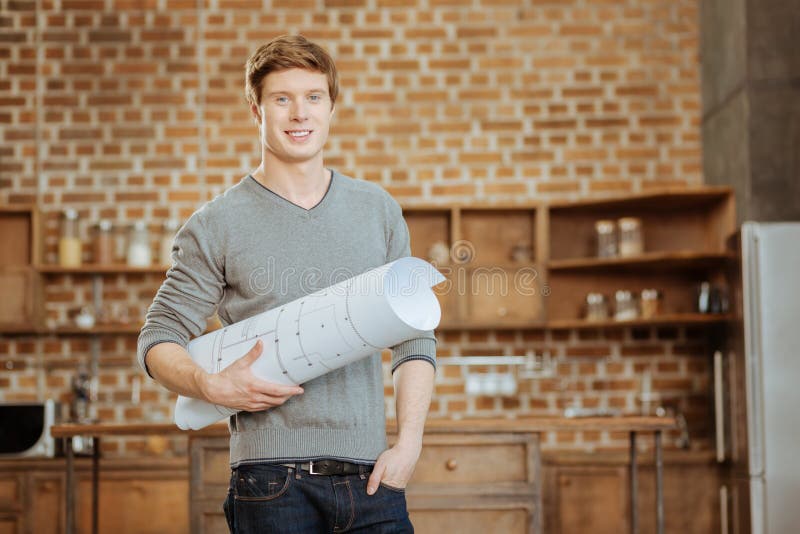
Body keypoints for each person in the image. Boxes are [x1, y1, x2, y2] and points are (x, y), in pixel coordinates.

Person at [137, 35, 436, 533]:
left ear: (331, 106)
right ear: (256, 110)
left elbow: (415, 337)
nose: (300, 113)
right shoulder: (216, 224)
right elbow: (158, 338)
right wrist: (211, 384)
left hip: (371, 480)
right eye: (282, 99)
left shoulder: (377, 211)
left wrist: (409, 444)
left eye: (313, 97)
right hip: (270, 483)